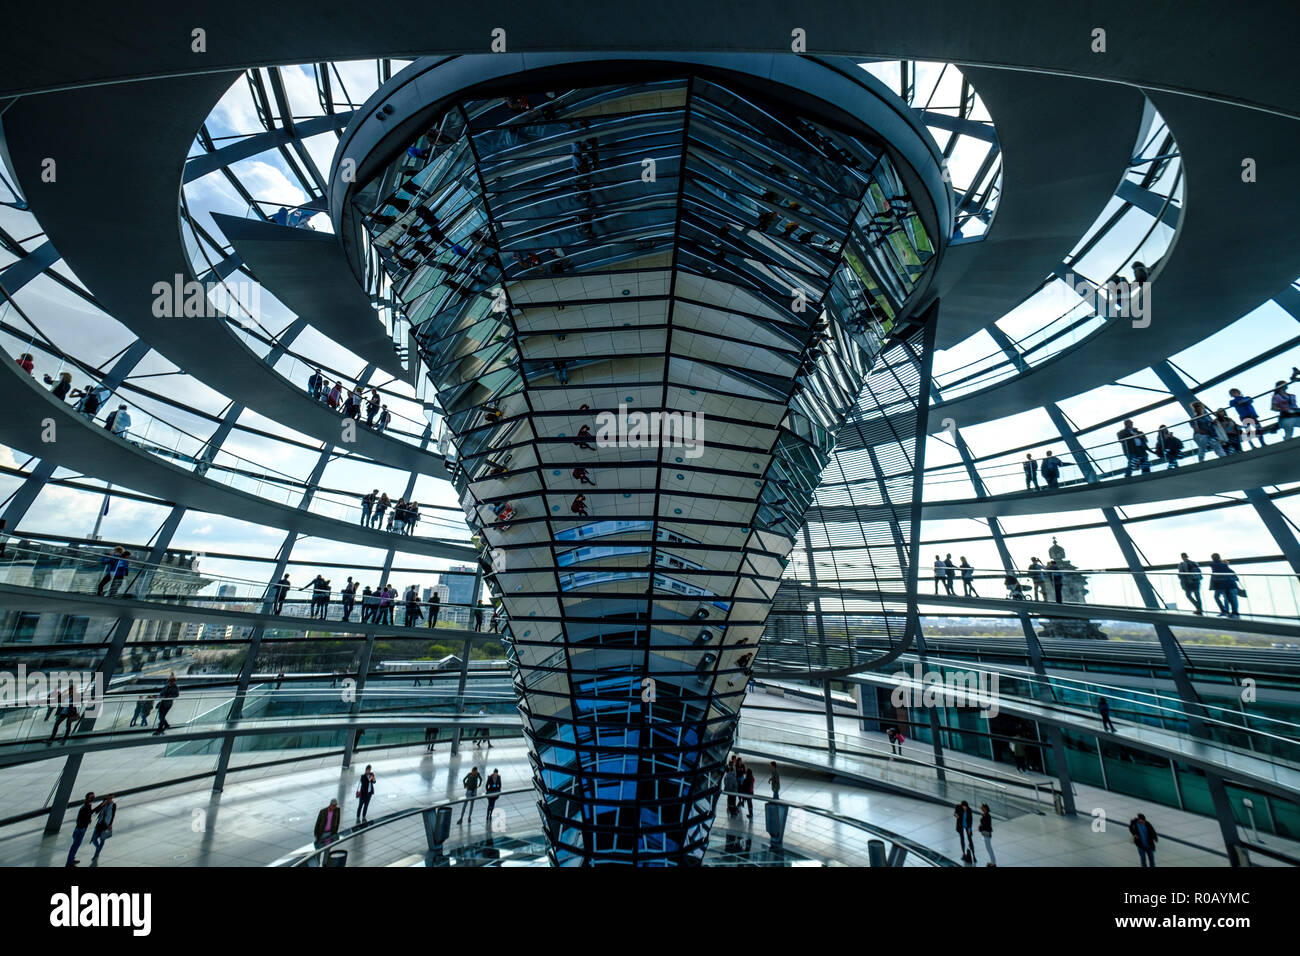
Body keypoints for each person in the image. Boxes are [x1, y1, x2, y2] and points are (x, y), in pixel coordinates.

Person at [66, 792, 96, 867]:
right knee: (75, 846)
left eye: (93, 797)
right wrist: (87, 821)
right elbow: (82, 817)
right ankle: (69, 863)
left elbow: (89, 813)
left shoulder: (87, 805)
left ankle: (71, 860)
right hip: (80, 829)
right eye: (91, 797)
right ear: (88, 798)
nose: (93, 798)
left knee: (75, 846)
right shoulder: (86, 807)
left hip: (80, 829)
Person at [1209, 552, 1240, 617]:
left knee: (1228, 598)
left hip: (1226, 584)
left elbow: (1212, 565)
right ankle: (1228, 612)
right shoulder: (1223, 565)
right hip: (1224, 584)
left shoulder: (1219, 565)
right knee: (1226, 598)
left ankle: (1231, 612)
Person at [89, 794, 116, 863]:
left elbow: (113, 815)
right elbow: (96, 811)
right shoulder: (103, 804)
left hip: (106, 824)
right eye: (108, 798)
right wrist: (102, 805)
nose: (110, 800)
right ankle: (98, 849)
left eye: (111, 798)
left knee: (102, 840)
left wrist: (110, 824)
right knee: (94, 839)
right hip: (99, 823)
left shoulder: (113, 805)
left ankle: (96, 854)